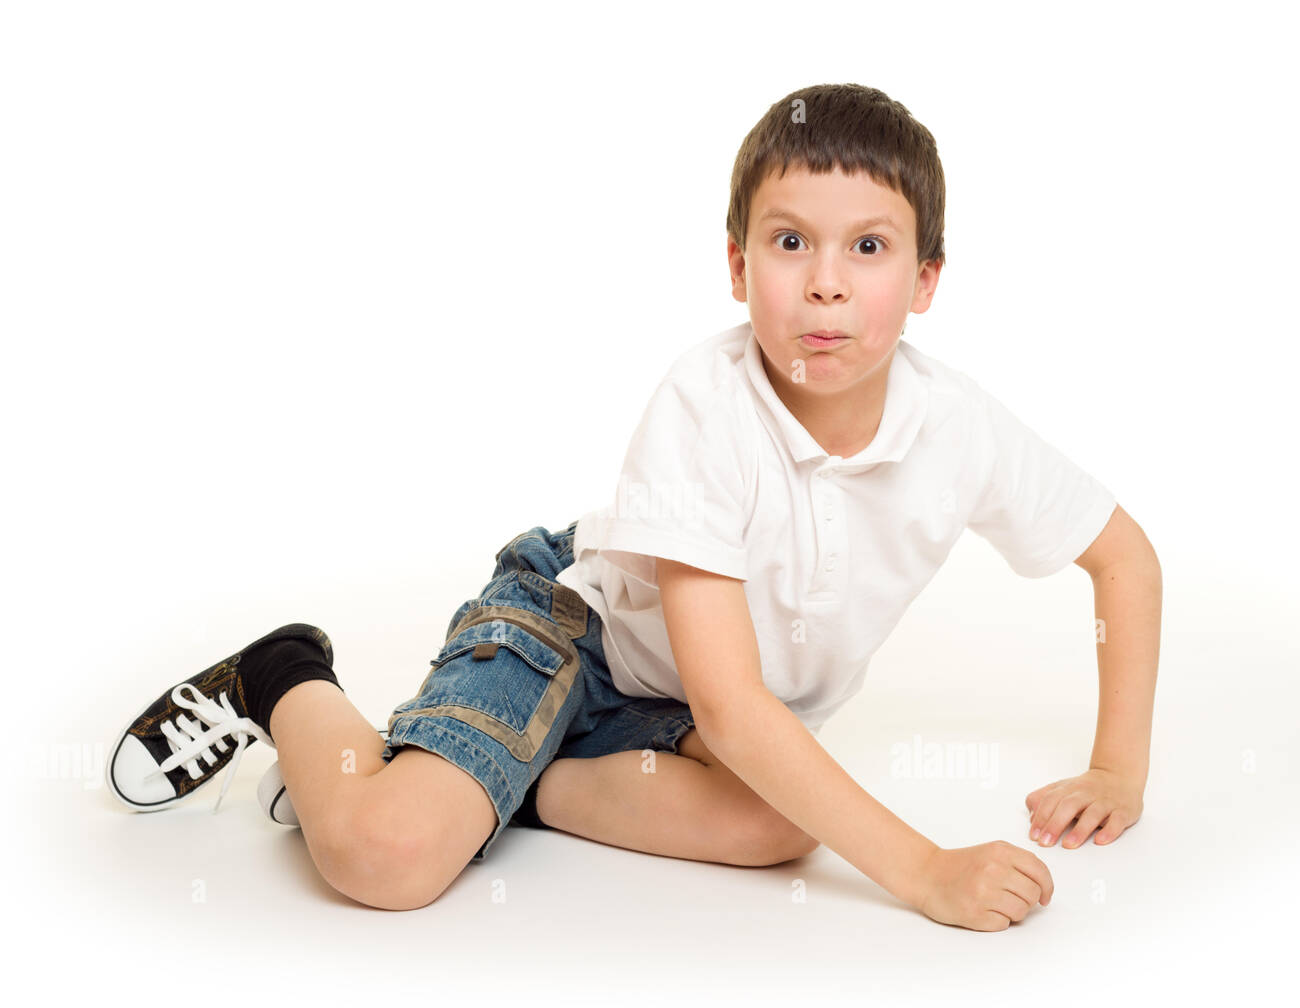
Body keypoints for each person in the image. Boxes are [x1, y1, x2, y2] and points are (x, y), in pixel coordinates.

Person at [106, 83, 1161, 931]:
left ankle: (509, 779)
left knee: (778, 827)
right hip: (574, 632)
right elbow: (738, 707)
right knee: (386, 859)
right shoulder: (705, 402)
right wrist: (925, 871)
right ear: (738, 267)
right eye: (790, 243)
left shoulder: (956, 427)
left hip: (692, 714)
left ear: (927, 279)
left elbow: (1123, 561)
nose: (826, 283)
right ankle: (284, 675)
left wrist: (1117, 764)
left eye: (869, 248)